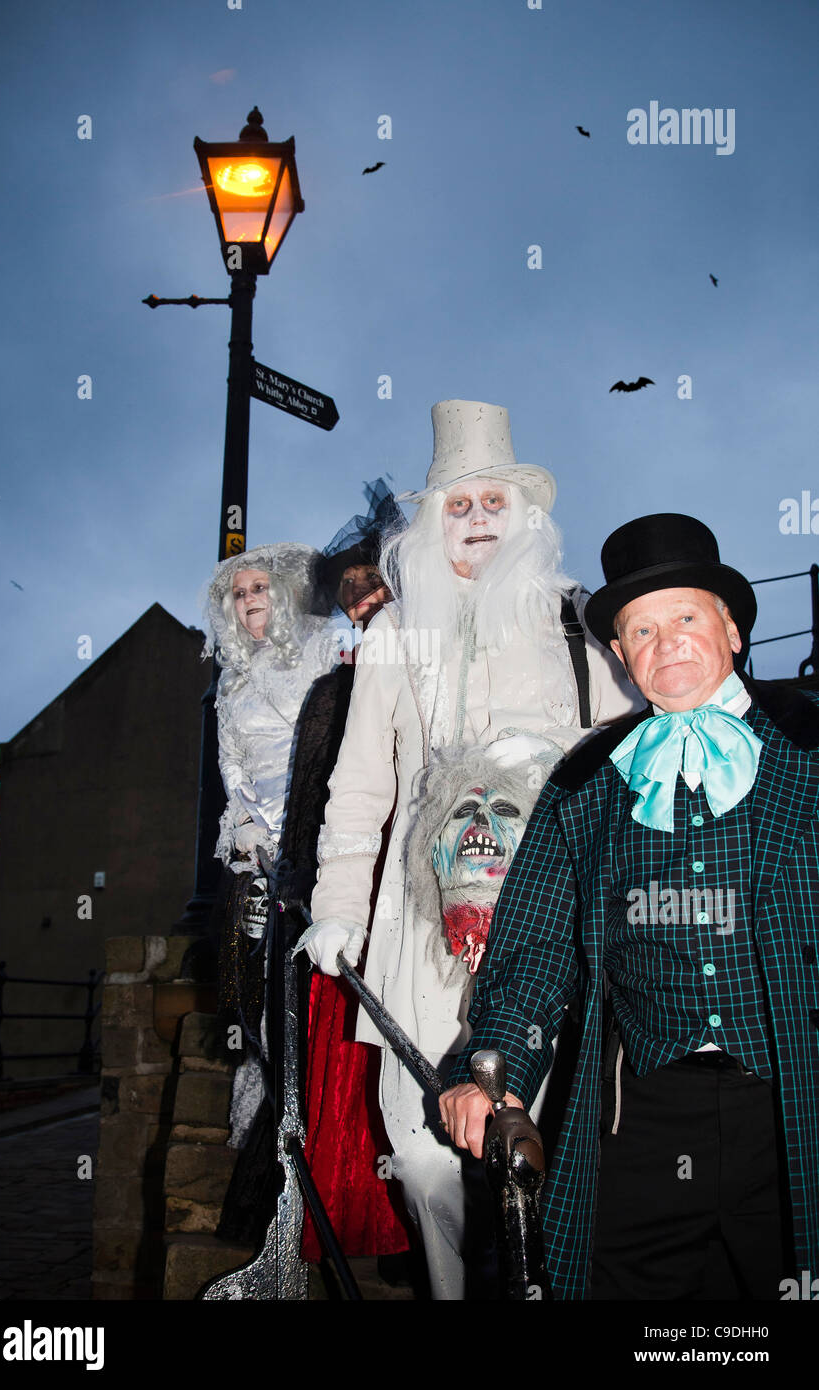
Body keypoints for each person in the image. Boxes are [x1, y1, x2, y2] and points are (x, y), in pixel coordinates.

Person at [299, 400, 641, 1298]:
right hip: (419, 930)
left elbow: (631, 775)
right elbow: (361, 788)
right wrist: (338, 906)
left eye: (494, 501)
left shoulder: (578, 629)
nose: (478, 520)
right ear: (428, 524)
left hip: (548, 925)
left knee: (541, 1150)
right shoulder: (389, 638)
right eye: (458, 505)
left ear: (524, 515)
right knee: (418, 1158)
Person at [440, 512, 819, 1300]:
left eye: (686, 617)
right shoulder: (583, 781)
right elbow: (538, 946)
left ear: (733, 631)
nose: (667, 641)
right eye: (641, 630)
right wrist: (494, 1070)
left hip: (795, 1098)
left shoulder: (812, 743)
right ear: (620, 656)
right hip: (643, 1108)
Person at [279, 482, 413, 1265]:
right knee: (347, 1053)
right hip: (350, 886)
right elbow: (314, 800)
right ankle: (355, 1212)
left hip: (416, 882)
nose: (361, 601)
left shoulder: (426, 662)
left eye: (373, 584)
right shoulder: (334, 689)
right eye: (351, 592)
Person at [203, 541, 339, 1245]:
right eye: (239, 593)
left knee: (316, 995)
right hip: (262, 861)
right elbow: (232, 766)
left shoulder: (321, 649)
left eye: (260, 588)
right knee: (255, 994)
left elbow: (337, 745)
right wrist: (248, 833)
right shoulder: (231, 680)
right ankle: (264, 1130)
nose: (251, 600)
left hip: (322, 850)